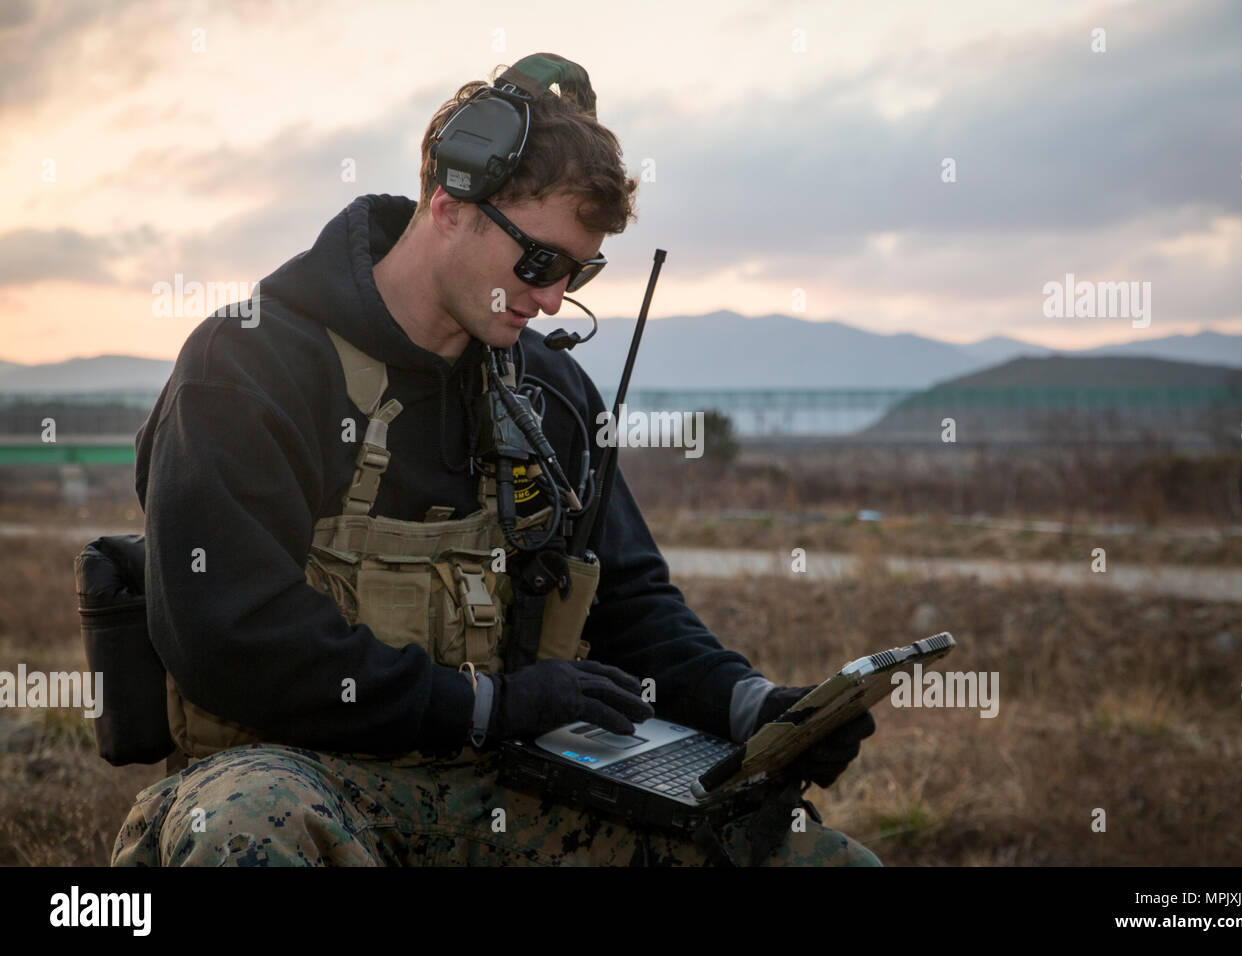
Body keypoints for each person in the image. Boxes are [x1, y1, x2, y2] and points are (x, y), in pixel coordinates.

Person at [111, 54, 880, 867]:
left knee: (808, 859)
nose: (552, 299)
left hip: (502, 787)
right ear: (449, 205)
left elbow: (629, 602)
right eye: (539, 262)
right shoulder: (251, 365)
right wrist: (485, 705)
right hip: (296, 778)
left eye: (578, 272)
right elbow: (229, 639)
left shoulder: (549, 392)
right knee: (248, 827)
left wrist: (751, 706)